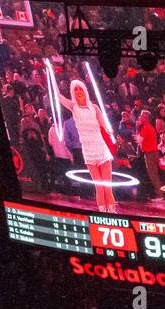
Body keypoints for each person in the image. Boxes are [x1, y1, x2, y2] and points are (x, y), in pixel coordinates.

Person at [56, 79, 117, 212]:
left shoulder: (94, 107)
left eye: (80, 88)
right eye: (75, 89)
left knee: (107, 186)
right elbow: (59, 97)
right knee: (99, 187)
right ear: (72, 91)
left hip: (100, 148)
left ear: (84, 90)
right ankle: (103, 214)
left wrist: (108, 129)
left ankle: (113, 214)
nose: (78, 91)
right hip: (88, 151)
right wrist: (50, 75)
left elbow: (103, 123)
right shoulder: (73, 107)